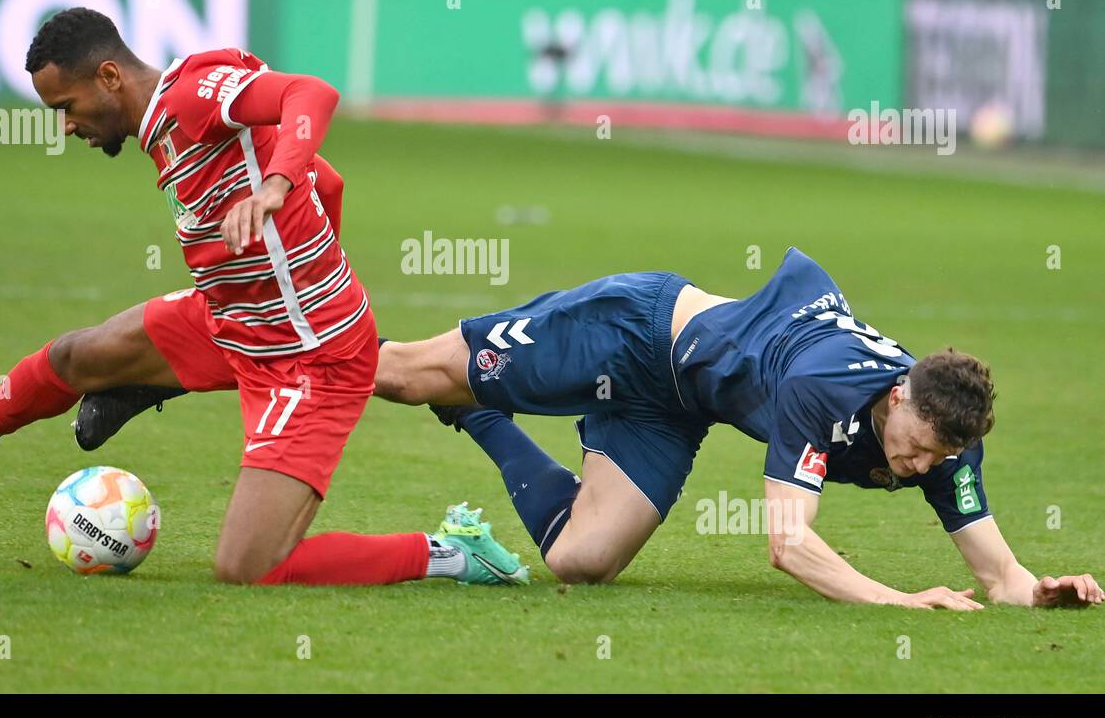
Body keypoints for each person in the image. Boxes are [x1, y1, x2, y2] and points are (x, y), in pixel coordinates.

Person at [0, 7, 528, 588]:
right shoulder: (160, 131)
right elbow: (332, 184)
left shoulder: (192, 96)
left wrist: (275, 188)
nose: (66, 128)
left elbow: (310, 93)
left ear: (109, 78)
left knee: (251, 568)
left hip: (309, 360)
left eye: (65, 108)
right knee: (76, 357)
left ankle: (452, 553)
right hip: (230, 319)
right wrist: (291, 253)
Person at [372, 248, 1101, 609]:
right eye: (916, 442)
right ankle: (275, 351)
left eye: (937, 457)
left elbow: (997, 575)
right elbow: (789, 545)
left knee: (579, 561)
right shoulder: (827, 386)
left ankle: (480, 414)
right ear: (897, 391)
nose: (917, 465)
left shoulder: (948, 442)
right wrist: (902, 601)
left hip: (679, 404)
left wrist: (1042, 592)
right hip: (634, 332)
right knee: (400, 375)